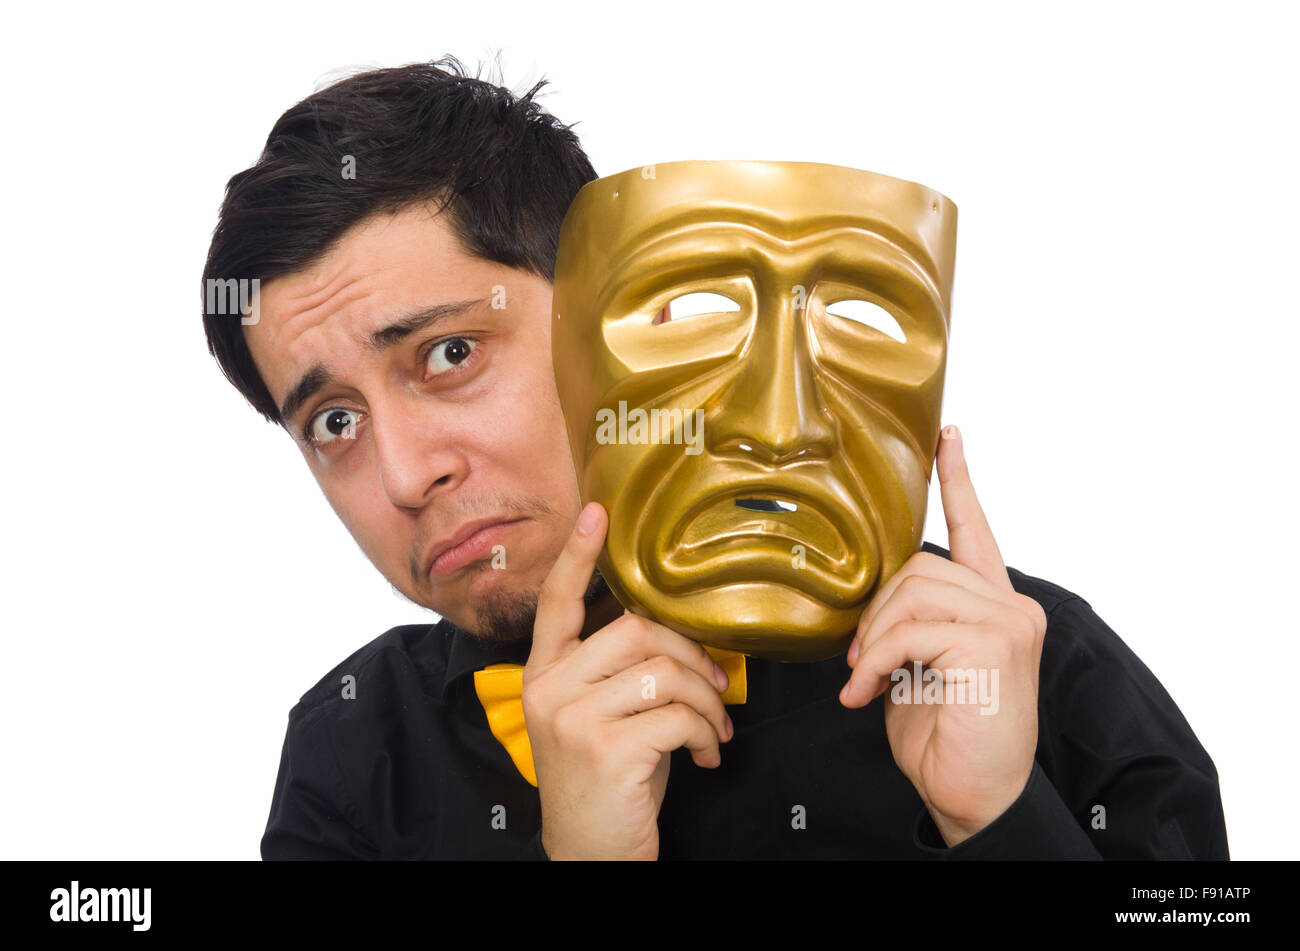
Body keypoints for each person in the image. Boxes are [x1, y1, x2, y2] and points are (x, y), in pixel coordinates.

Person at [202, 57, 1230, 860]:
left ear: (605, 327)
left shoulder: (1030, 663)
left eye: (450, 354)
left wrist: (1000, 821)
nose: (402, 475)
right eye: (333, 422)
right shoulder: (351, 753)